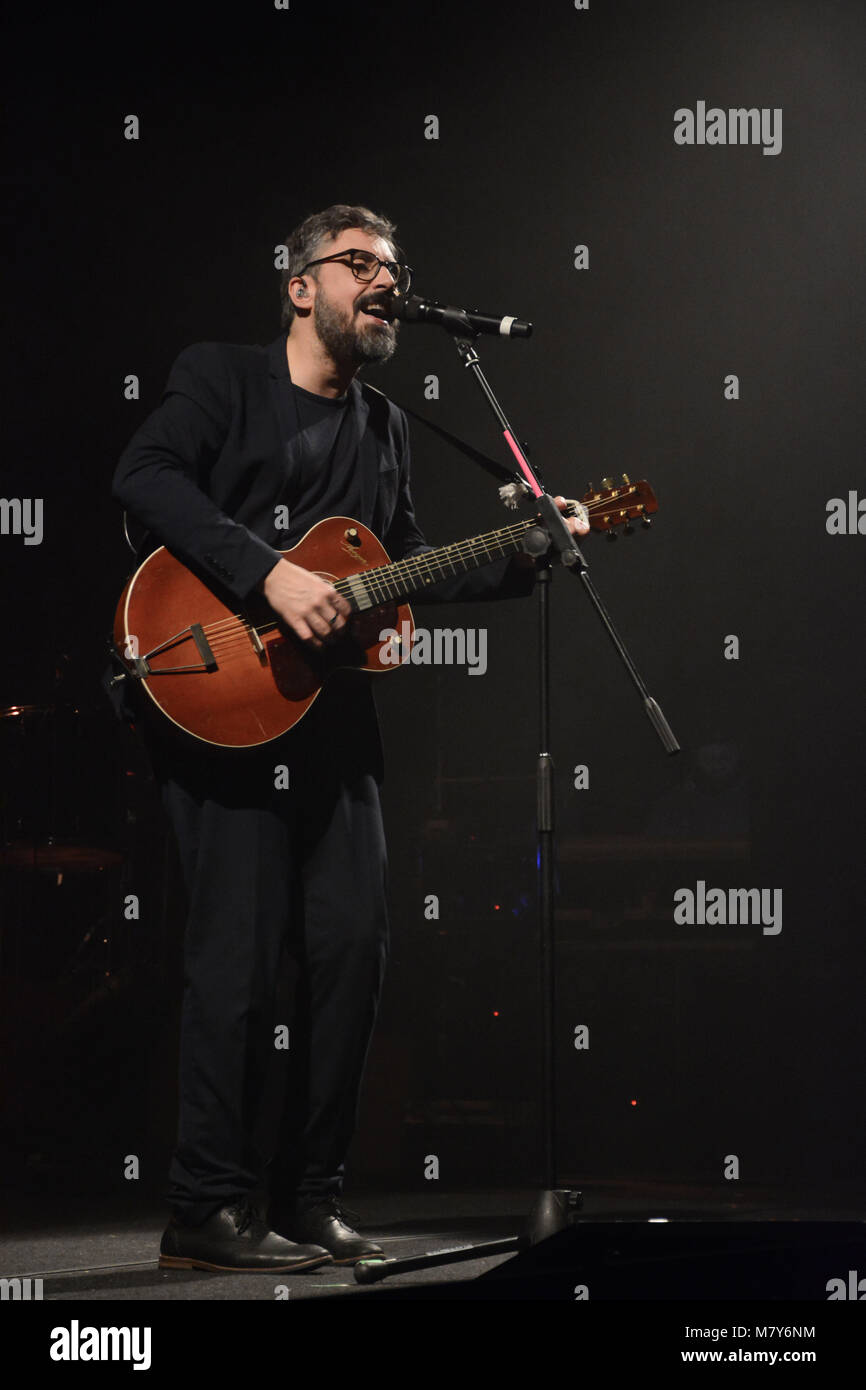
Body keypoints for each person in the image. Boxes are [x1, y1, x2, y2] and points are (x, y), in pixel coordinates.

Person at [107, 203, 588, 1273]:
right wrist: (268, 573)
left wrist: (523, 554)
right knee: (236, 963)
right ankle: (204, 1208)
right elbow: (143, 478)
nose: (385, 282)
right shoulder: (222, 378)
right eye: (359, 262)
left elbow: (404, 560)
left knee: (351, 952)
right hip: (221, 700)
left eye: (394, 269)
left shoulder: (384, 426)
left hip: (329, 720)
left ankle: (309, 1197)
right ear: (299, 285)